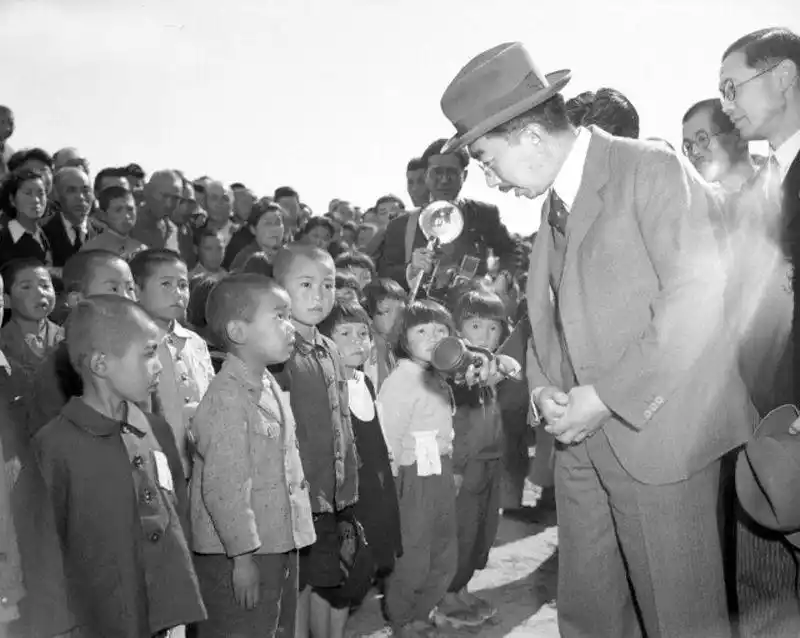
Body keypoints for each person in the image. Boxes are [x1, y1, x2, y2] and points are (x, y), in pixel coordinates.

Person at [438, 41, 754, 637]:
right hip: (581, 444)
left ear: (530, 136)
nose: (486, 178)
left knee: (679, 620)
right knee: (589, 614)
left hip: (657, 440)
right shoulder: (554, 199)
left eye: (485, 157)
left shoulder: (647, 168)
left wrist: (605, 397)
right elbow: (549, 320)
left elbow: (696, 303)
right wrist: (540, 390)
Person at [33, 295, 206, 637]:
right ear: (100, 364)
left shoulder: (155, 428)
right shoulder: (54, 445)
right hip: (101, 618)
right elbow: (46, 548)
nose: (159, 364)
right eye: (147, 353)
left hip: (168, 612)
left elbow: (178, 513)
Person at [718, 27, 800, 637]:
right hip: (762, 423)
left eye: (732, 86)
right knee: (764, 597)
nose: (726, 104)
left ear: (784, 78)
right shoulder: (767, 180)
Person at [190, 274, 315, 637]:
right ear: (239, 332)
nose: (290, 327)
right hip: (240, 554)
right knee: (240, 628)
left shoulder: (266, 381)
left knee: (272, 627)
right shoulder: (228, 397)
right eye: (279, 316)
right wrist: (242, 560)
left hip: (274, 541)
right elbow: (225, 488)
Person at [271, 243, 360, 638]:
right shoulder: (277, 353)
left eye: (328, 284)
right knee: (294, 590)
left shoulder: (329, 349)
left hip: (329, 497)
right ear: (278, 289)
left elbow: (342, 421)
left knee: (321, 580)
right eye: (305, 284)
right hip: (292, 499)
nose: (318, 295)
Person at [315, 301, 402, 638]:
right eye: (345, 334)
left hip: (375, 497)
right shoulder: (328, 389)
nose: (358, 341)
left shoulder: (364, 382)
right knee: (340, 583)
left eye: (363, 333)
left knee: (359, 578)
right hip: (350, 504)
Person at [436, 288, 520, 628]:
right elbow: (454, 422)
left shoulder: (491, 366)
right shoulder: (457, 368)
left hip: (490, 459)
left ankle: (463, 587)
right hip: (465, 465)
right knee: (461, 532)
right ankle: (445, 597)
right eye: (475, 326)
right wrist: (454, 469)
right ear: (457, 329)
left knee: (482, 531)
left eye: (493, 327)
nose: (485, 335)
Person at [378, 300, 457, 638]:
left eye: (440, 330)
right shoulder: (401, 380)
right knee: (413, 554)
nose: (432, 336)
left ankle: (424, 608)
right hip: (412, 478)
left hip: (438, 471)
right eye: (422, 330)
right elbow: (389, 439)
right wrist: (391, 489)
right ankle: (402, 618)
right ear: (403, 338)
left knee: (443, 549)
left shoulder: (437, 375)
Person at [28, 250, 137, 434]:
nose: (127, 298)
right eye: (113, 289)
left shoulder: (135, 355)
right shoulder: (58, 368)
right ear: (77, 300)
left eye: (130, 288)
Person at [130, 249, 214, 476]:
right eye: (166, 284)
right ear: (136, 291)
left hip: (201, 468)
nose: (178, 293)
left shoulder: (195, 343)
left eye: (183, 285)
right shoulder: (130, 345)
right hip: (153, 470)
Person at [0, 259, 62, 391]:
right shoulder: (2, 344)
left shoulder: (68, 337)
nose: (40, 292)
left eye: (45, 286)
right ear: (6, 300)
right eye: (26, 287)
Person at [0, 170, 52, 270]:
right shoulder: (3, 240)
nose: (36, 200)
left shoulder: (50, 234)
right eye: (28, 193)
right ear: (12, 199)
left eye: (41, 193)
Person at [80, 185, 147, 260]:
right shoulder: (93, 250)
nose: (127, 216)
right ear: (103, 215)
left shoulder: (141, 248)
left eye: (130, 209)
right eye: (118, 210)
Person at [363, 278, 406, 391]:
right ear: (369, 315)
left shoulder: (392, 345)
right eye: (386, 311)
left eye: (400, 311)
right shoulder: (370, 346)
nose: (395, 317)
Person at [227, 202, 285, 272]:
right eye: (268, 223)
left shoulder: (290, 254)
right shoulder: (245, 259)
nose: (274, 229)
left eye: (278, 223)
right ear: (253, 229)